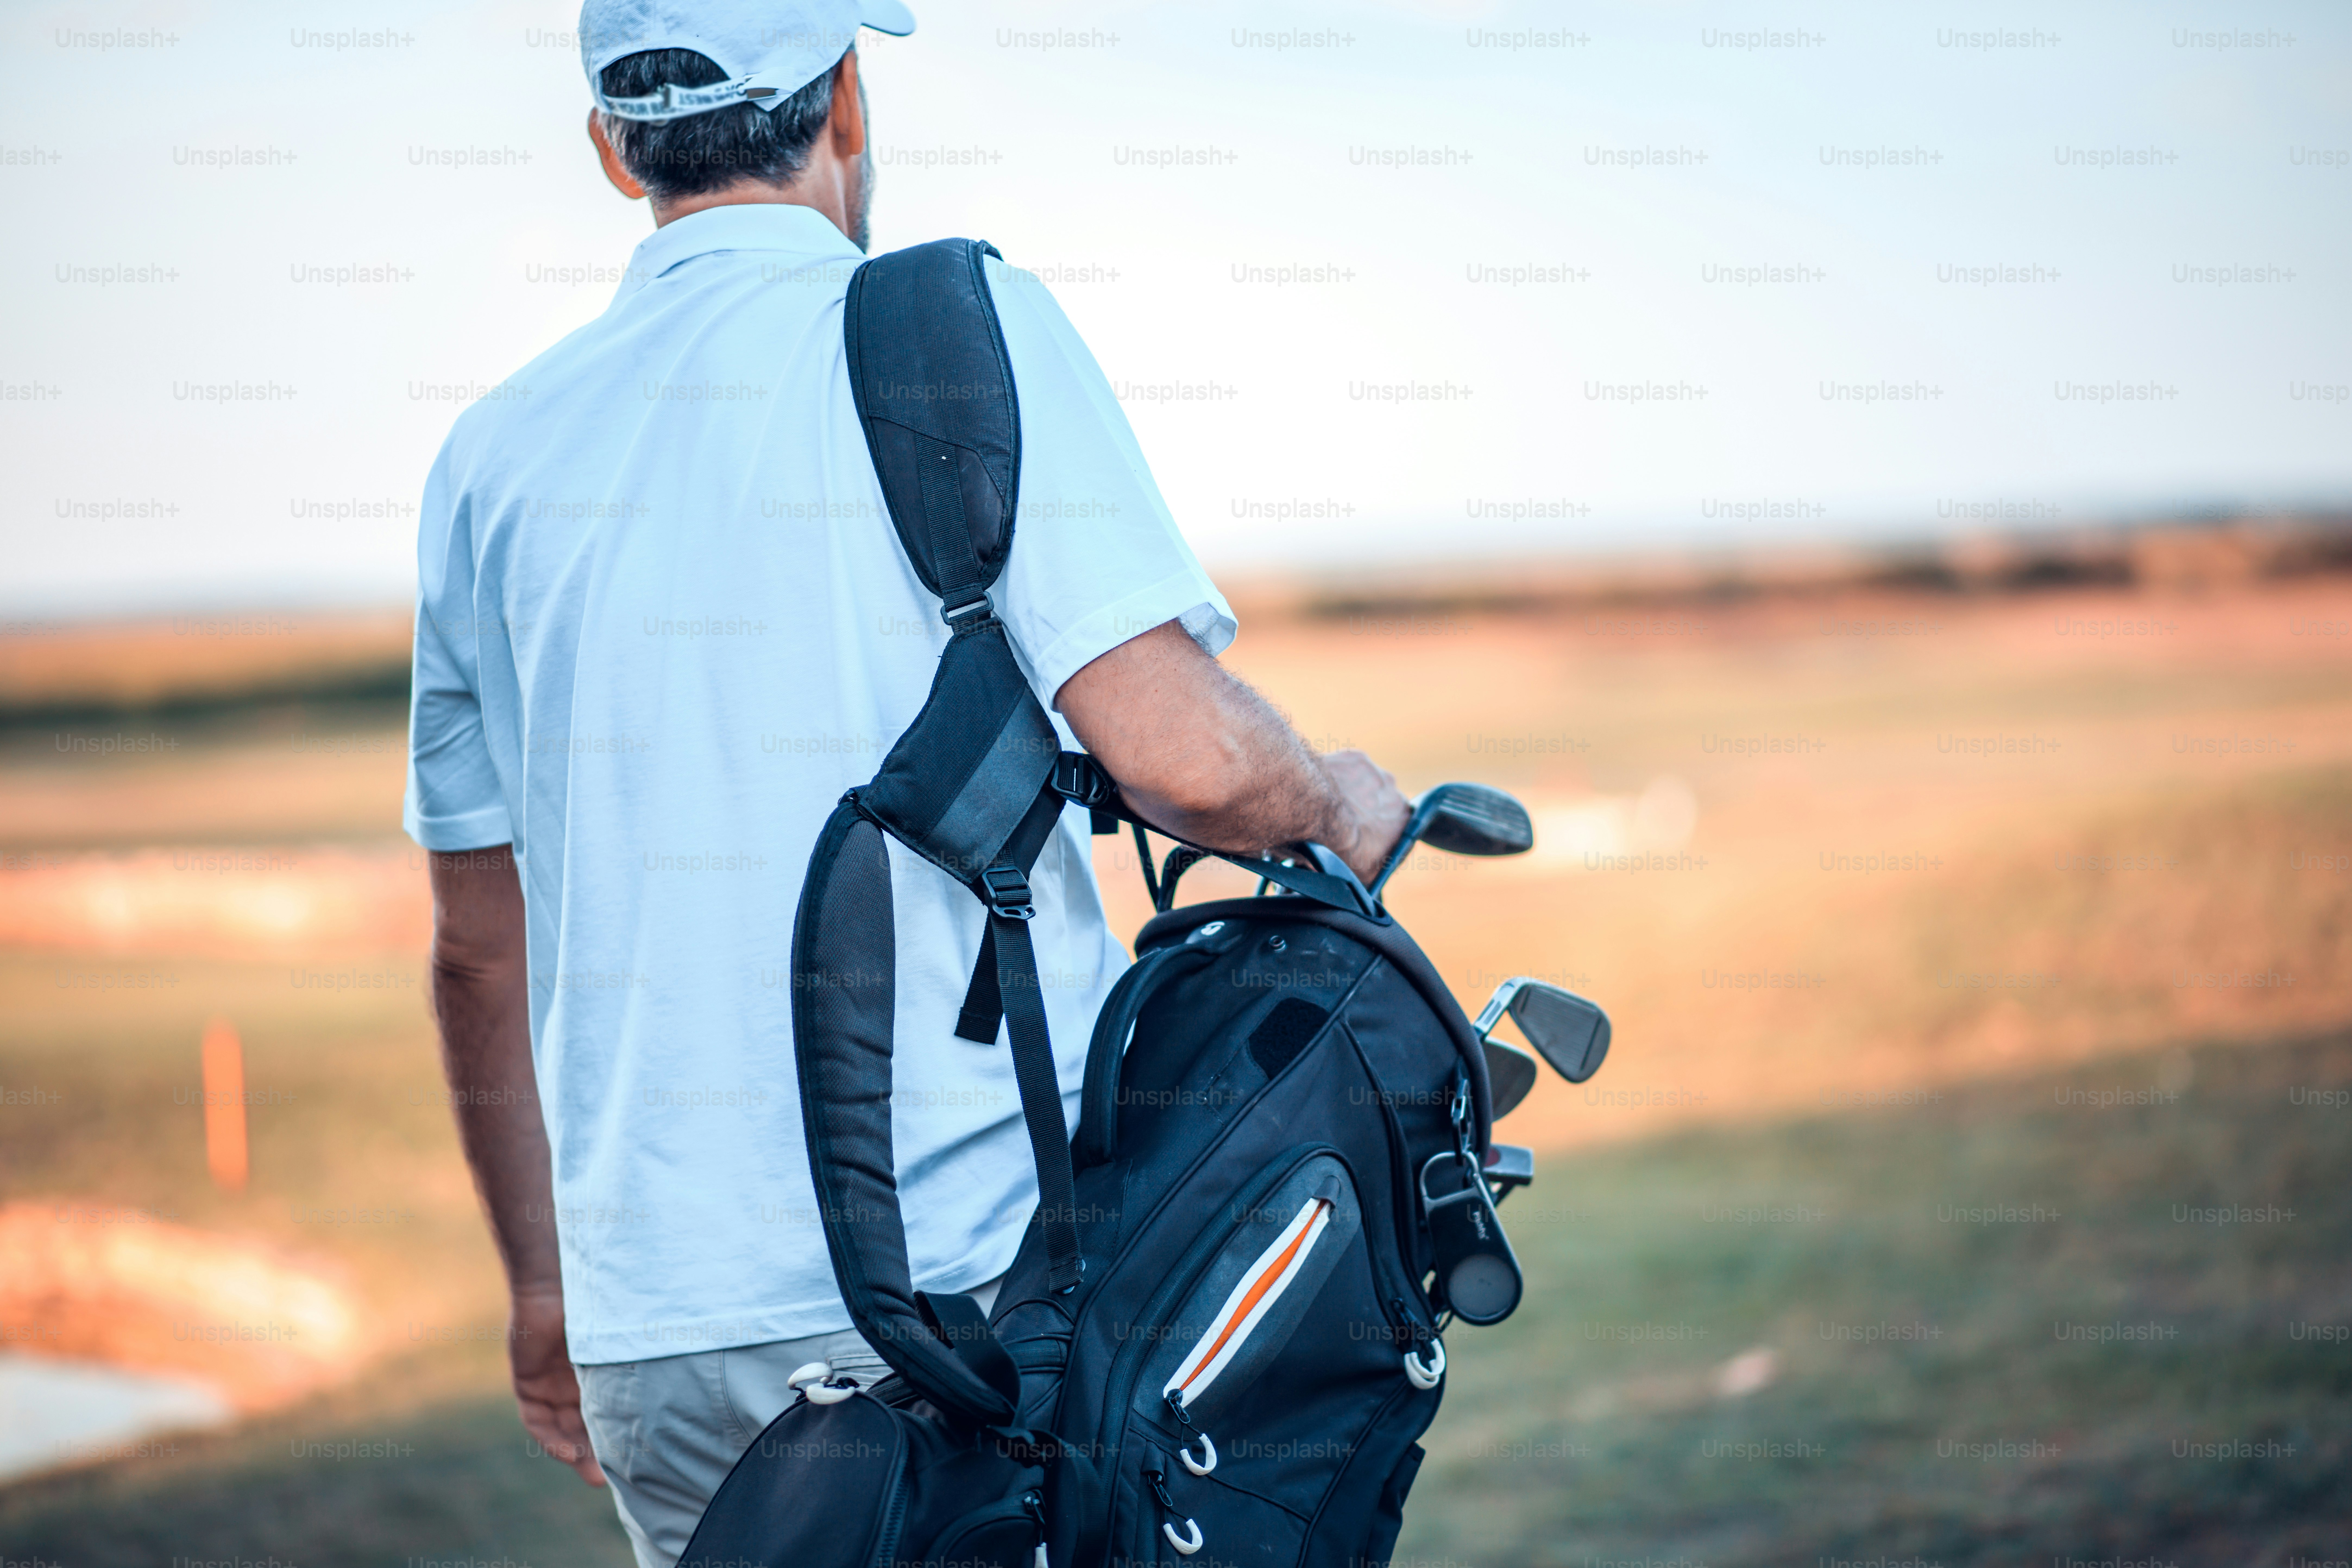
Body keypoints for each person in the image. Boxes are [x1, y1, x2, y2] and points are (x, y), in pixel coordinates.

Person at [402, 2, 1409, 1561]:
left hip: (648, 1338)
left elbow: (480, 947)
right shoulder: (958, 323)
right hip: (962, 1302)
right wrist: (1340, 805)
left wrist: (543, 1295)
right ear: (848, 104)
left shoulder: (488, 457)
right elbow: (1193, 762)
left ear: (613, 150)